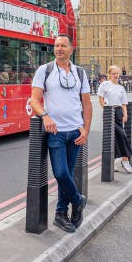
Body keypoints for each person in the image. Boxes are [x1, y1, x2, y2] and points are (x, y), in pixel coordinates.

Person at [30, 34, 91, 233]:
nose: (59, 49)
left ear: (72, 49)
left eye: (63, 45)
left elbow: (87, 104)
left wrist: (86, 129)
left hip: (75, 132)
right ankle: (78, 200)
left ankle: (61, 214)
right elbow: (35, 100)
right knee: (61, 173)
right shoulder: (44, 70)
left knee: (69, 174)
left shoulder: (80, 73)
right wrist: (45, 116)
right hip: (55, 131)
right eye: (56, 45)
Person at [97, 65, 132, 173]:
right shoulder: (105, 84)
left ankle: (125, 159)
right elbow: (100, 98)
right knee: (111, 137)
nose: (116, 75)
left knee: (121, 135)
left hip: (118, 112)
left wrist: (125, 114)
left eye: (117, 73)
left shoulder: (121, 88)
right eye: (114, 73)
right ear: (109, 74)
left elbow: (123, 103)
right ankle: (116, 161)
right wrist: (104, 108)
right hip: (109, 111)